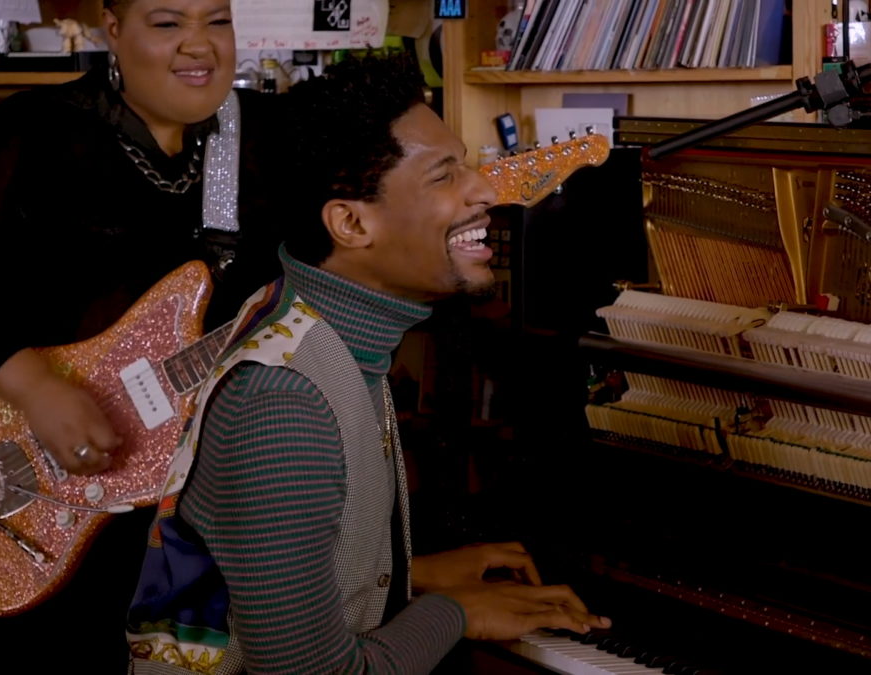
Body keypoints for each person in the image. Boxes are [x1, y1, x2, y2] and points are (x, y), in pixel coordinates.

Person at [125, 52, 610, 674]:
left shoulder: (308, 321)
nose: (486, 190)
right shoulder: (282, 405)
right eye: (444, 176)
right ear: (351, 223)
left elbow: (271, 579)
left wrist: (409, 575)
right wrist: (455, 613)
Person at [0, 0, 285, 670]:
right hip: (24, 505)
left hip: (193, 533)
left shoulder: (260, 139)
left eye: (217, 21)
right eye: (168, 23)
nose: (198, 47)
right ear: (112, 28)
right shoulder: (33, 136)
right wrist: (30, 385)